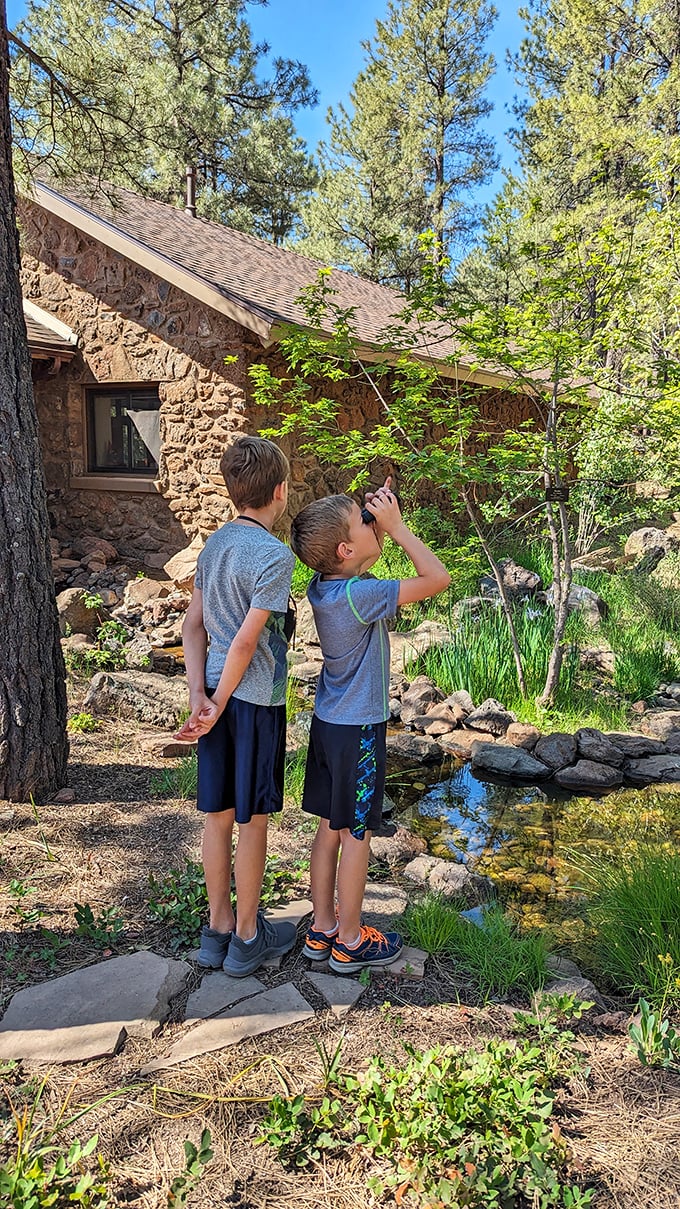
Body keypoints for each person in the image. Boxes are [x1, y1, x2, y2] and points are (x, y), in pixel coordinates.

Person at [290, 481, 450, 973]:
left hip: (328, 724)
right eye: (364, 521)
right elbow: (437, 577)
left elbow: (355, 556)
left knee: (328, 828)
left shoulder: (324, 585)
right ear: (345, 549)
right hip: (359, 730)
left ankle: (322, 928)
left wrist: (368, 529)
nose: (373, 520)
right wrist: (398, 528)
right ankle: (352, 940)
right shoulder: (361, 595)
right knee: (357, 833)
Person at [175, 435, 297, 977]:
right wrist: (221, 701)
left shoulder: (214, 545)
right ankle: (249, 936)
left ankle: (217, 926)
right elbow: (248, 642)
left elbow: (192, 625)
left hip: (214, 702)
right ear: (280, 491)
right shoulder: (274, 555)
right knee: (252, 820)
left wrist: (198, 696)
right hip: (251, 702)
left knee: (217, 816)